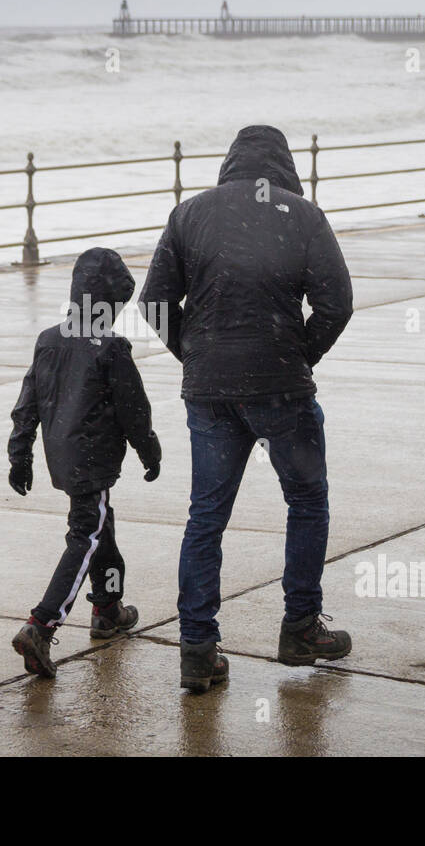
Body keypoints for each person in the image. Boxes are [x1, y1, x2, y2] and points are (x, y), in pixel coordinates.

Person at [139, 125, 354, 694]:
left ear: (230, 164)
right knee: (306, 501)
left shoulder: (190, 215)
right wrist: (298, 353)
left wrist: (195, 353)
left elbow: (154, 302)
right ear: (283, 167)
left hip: (208, 392)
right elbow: (338, 302)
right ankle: (301, 627)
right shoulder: (302, 215)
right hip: (281, 387)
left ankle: (198, 650)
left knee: (206, 516)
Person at [7, 247, 162, 678]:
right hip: (91, 459)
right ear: (111, 303)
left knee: (100, 527)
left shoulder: (49, 340)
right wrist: (149, 449)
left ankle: (108, 608)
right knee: (86, 536)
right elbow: (135, 410)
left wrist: (20, 455)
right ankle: (42, 623)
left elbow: (27, 405)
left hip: (61, 455)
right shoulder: (110, 348)